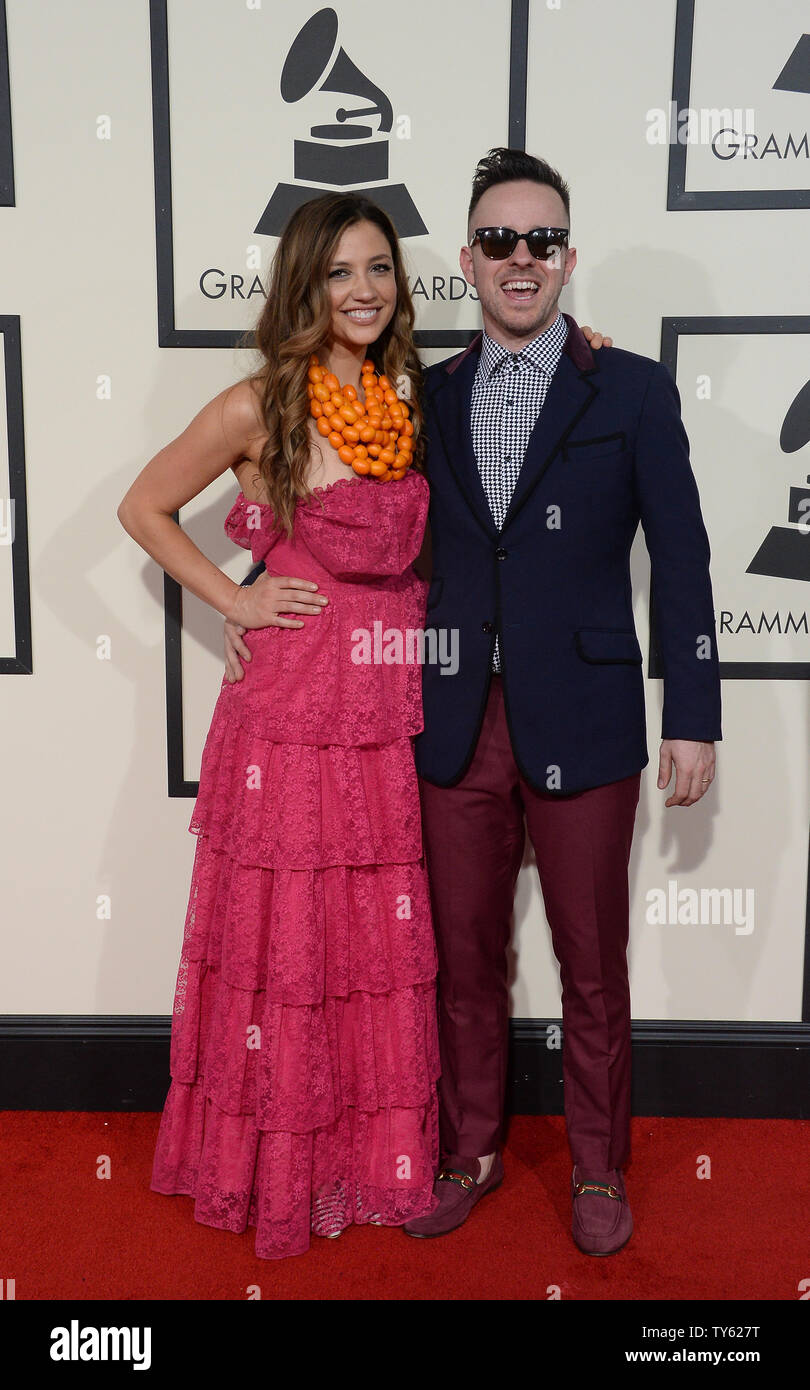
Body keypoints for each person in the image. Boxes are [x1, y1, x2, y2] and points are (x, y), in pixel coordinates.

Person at [398, 148, 722, 1255]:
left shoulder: (627, 387)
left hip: (584, 717)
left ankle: (596, 1164)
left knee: (593, 960)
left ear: (568, 258)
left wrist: (694, 708)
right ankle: (469, 1147)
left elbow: (681, 557)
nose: (520, 259)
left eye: (541, 241)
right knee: (462, 954)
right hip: (450, 720)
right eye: (499, 240)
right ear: (468, 260)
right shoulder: (427, 394)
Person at [117, 192, 443, 1259]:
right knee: (289, 941)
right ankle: (274, 1168)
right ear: (305, 283)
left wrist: (581, 345)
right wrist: (235, 596)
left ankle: (362, 1160)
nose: (364, 289)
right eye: (341, 271)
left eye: (379, 269)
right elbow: (143, 505)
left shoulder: (405, 398)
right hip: (295, 715)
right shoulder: (260, 404)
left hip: (384, 708)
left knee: (366, 942)